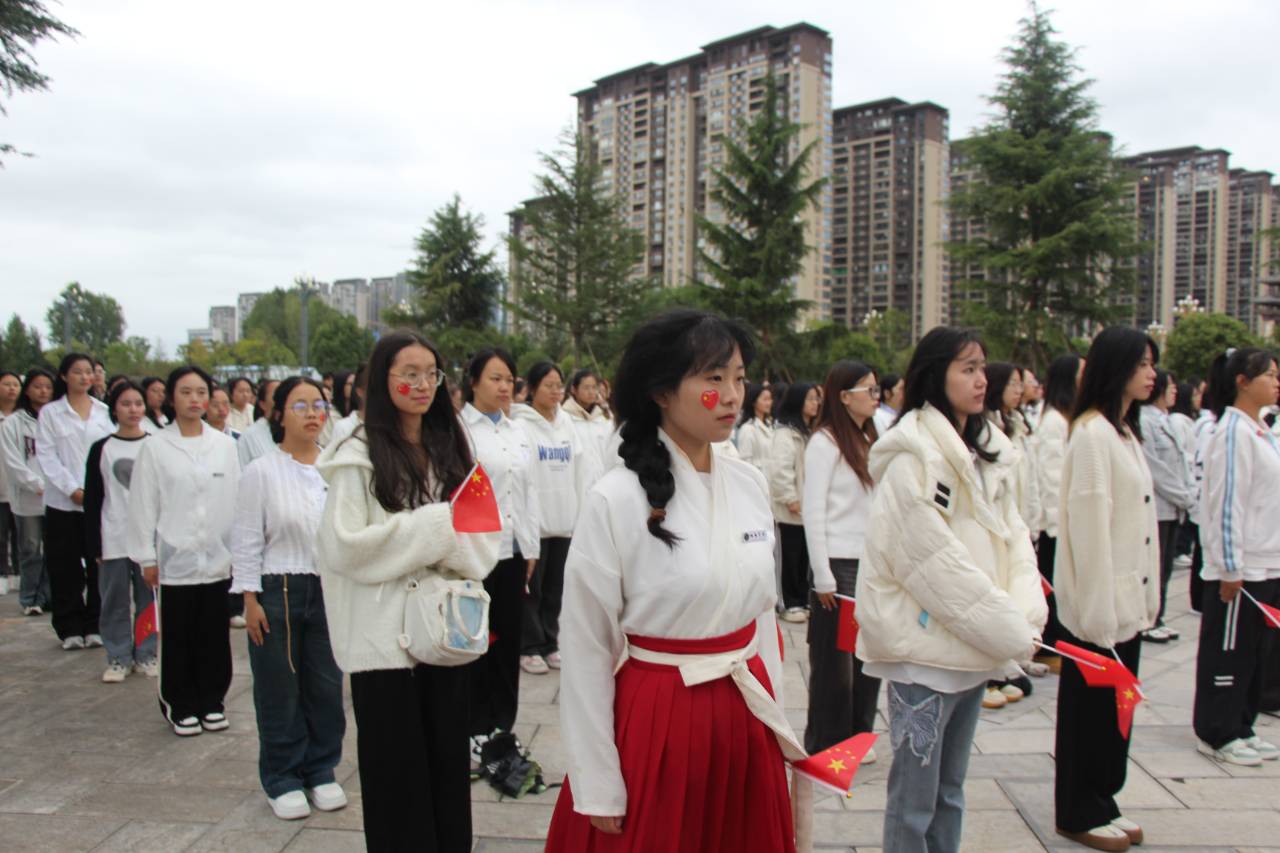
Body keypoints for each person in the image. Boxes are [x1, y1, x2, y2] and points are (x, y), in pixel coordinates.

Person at [546, 310, 795, 852]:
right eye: (713, 379)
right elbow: (586, 647)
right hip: (659, 721)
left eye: (739, 377)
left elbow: (760, 618)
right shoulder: (615, 498)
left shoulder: (750, 485)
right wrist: (597, 779)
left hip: (744, 717)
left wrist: (778, 730)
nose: (733, 395)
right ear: (660, 391)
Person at [857, 327, 1045, 853]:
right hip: (925, 656)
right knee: (914, 798)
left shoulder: (989, 449)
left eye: (983, 366)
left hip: (974, 647)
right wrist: (1012, 630)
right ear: (935, 375)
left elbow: (1014, 538)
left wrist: (1026, 614)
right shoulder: (912, 458)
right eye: (967, 368)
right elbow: (933, 565)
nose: (981, 379)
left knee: (952, 791)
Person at [315, 331, 499, 851]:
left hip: (444, 635)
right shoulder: (357, 453)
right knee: (396, 779)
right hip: (383, 646)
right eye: (409, 374)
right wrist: (436, 530)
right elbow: (346, 546)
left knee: (446, 767)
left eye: (431, 374)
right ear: (382, 380)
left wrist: (440, 538)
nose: (422, 385)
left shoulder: (452, 446)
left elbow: (483, 543)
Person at [1054, 327, 1161, 852]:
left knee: (1116, 712)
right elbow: (1089, 528)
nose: (1152, 373)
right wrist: (1095, 610)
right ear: (1115, 367)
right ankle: (1078, 808)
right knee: (1089, 715)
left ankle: (1104, 798)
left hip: (1128, 601)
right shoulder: (1092, 434)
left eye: (1152, 363)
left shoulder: (1123, 432)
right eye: (1142, 363)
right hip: (1100, 607)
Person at [232, 376, 348, 820]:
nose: (313, 414)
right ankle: (282, 776)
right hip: (276, 588)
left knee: (325, 685)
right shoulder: (261, 470)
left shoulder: (335, 469)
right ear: (278, 414)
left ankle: (321, 769)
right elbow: (245, 538)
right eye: (300, 406)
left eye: (319, 405)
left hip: (328, 588)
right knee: (279, 688)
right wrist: (249, 598)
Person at [126, 366, 240, 737]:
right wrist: (147, 556)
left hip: (217, 558)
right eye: (186, 392)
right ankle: (180, 703)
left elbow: (236, 500)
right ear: (171, 397)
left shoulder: (224, 446)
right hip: (174, 560)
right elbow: (143, 504)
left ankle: (212, 701)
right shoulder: (156, 446)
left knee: (213, 635)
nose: (194, 399)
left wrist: (238, 551)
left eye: (201, 392)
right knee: (178, 635)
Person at [1193, 347, 1280, 767]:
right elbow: (1228, 503)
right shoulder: (1232, 432)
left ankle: (1242, 725)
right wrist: (1230, 566)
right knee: (1227, 650)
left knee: (1253, 652)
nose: (1276, 381)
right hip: (1240, 564)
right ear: (1242, 382)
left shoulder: (1259, 428)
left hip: (1266, 559)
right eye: (1268, 374)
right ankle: (1216, 731)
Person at [459, 348, 541, 768]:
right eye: (495, 378)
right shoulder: (459, 431)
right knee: (476, 641)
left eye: (509, 378)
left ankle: (501, 725)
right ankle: (473, 726)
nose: (504, 386)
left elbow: (528, 492)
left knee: (507, 641)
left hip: (511, 552)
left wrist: (531, 548)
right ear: (473, 382)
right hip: (473, 553)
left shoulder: (518, 430)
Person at [803, 360, 881, 759]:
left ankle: (858, 734)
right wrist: (823, 576)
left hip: (870, 566)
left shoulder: (869, 439)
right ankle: (827, 741)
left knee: (868, 657)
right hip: (838, 565)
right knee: (835, 666)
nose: (875, 396)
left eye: (876, 388)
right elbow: (813, 512)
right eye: (868, 389)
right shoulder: (825, 443)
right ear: (844, 396)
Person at [512, 362, 596, 677]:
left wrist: (580, 515)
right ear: (533, 388)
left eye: (559, 385)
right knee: (531, 589)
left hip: (564, 521)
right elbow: (523, 478)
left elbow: (579, 470)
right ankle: (530, 646)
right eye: (548, 385)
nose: (555, 391)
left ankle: (551, 641)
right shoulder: (521, 425)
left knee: (555, 589)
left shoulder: (566, 425)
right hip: (536, 524)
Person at [978, 362, 1043, 709]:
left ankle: (1008, 665)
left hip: (1016, 519)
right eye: (1014, 383)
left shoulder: (1014, 423)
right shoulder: (983, 427)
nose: (1019, 390)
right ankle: (991, 673)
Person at [37, 353, 113, 650]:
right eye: (77, 372)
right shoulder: (51, 413)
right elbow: (46, 455)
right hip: (62, 503)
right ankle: (69, 626)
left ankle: (95, 623)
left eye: (88, 372)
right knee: (65, 566)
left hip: (98, 502)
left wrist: (94, 490)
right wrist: (72, 489)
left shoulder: (104, 412)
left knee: (98, 565)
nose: (84, 377)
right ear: (64, 376)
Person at [83, 381, 155, 683]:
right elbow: (93, 500)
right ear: (114, 408)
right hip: (113, 536)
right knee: (113, 599)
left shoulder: (155, 445)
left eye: (138, 403)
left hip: (149, 539)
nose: (133, 409)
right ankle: (118, 657)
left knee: (148, 599)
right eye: (126, 404)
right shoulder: (102, 448)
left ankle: (147, 653)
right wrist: (93, 546)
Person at [1034, 353, 1085, 670]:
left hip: (1064, 519)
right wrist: (1056, 524)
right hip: (1054, 523)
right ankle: (1050, 645)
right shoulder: (1054, 421)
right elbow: (1051, 475)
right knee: (1052, 585)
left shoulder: (1068, 417)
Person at [1136, 369, 1195, 644]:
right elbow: (1156, 468)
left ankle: (1157, 616)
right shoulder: (1145, 420)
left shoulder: (1167, 420)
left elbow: (1180, 462)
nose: (1174, 391)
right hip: (1160, 504)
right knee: (1154, 566)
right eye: (1169, 386)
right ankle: (1148, 620)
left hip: (1173, 505)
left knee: (1165, 567)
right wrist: (1182, 495)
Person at [1, 369, 53, 614]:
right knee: (31, 548)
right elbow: (12, 461)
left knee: (54, 548)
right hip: (28, 498)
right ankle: (30, 598)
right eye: (37, 386)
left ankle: (50, 596)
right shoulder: (14, 423)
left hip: (57, 495)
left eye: (47, 387)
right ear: (28, 389)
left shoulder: (55, 419)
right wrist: (36, 484)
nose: (43, 392)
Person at [769, 382, 819, 622]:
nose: (815, 403)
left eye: (816, 399)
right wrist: (790, 499)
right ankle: (787, 603)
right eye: (810, 398)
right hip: (790, 511)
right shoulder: (785, 433)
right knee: (788, 557)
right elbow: (780, 470)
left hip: (807, 509)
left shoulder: (808, 433)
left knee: (803, 559)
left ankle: (801, 600)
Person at [563, 368, 613, 471]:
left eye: (594, 388)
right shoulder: (565, 418)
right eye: (586, 388)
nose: (591, 392)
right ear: (574, 390)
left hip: (601, 481)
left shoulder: (601, 419)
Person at [0, 370, 19, 594]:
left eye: (15, 384)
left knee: (22, 536)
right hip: (2, 484)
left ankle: (19, 575)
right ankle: (2, 573)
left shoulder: (23, 417)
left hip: (20, 484)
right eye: (7, 384)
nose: (12, 388)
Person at [239, 379, 281, 469]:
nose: (283, 399)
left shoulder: (297, 432)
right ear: (262, 404)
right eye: (277, 394)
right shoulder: (249, 436)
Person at [734, 382, 774, 475]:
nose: (769, 402)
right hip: (756, 481)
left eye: (770, 399)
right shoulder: (748, 429)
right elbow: (745, 462)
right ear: (754, 402)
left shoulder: (769, 425)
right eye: (765, 399)